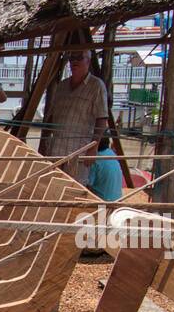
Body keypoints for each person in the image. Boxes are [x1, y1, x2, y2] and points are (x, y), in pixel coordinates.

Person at [42, 50, 109, 178]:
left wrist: (93, 147)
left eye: (79, 58)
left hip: (79, 150)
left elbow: (101, 118)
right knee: (51, 184)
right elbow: (51, 116)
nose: (75, 61)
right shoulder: (62, 86)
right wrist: (44, 142)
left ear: (88, 61)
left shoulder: (97, 86)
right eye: (72, 58)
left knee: (73, 189)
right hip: (56, 148)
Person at [87, 135, 124, 201]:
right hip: (118, 200)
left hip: (103, 203)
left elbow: (88, 186)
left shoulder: (95, 160)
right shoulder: (111, 153)